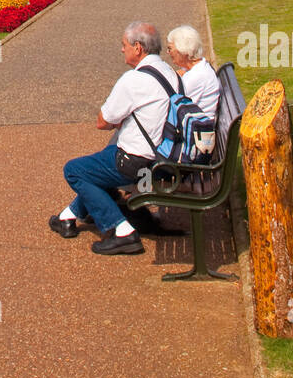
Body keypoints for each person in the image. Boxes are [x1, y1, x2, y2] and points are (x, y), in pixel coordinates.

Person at [49, 22, 182, 255]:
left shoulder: (134, 79)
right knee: (99, 162)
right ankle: (67, 217)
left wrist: (121, 118)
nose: (122, 50)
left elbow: (102, 122)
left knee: (74, 170)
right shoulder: (170, 73)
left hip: (138, 162)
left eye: (124, 45)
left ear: (138, 47)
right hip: (164, 158)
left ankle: (121, 231)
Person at [165, 24, 221, 118]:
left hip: (196, 128)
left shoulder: (197, 76)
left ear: (182, 50)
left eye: (170, 48)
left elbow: (170, 104)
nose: (168, 52)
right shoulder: (198, 67)